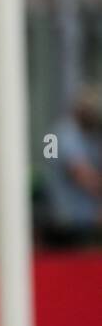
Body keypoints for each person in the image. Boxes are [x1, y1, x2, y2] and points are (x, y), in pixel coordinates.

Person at [42, 85, 102, 247]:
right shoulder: (65, 133)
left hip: (83, 219)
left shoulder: (89, 134)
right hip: (68, 221)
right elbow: (82, 175)